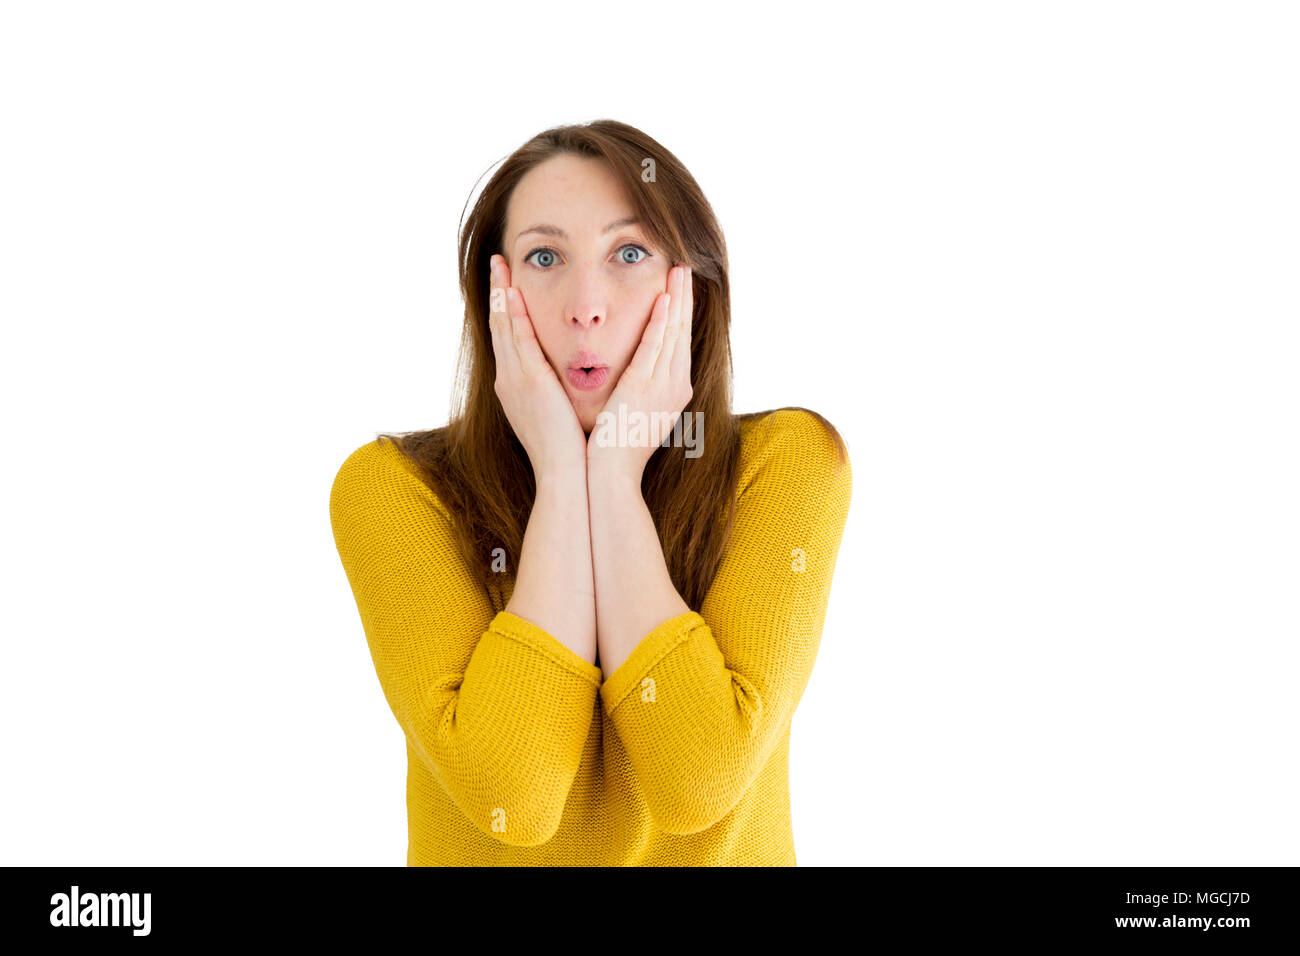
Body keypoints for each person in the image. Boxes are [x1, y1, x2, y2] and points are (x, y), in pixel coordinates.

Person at [329, 119, 852, 865]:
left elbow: (696, 783)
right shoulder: (393, 490)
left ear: (691, 288)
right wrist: (560, 477)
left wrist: (610, 478)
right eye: (545, 257)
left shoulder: (789, 463)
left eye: (629, 253)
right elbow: (517, 796)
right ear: (494, 294)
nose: (586, 306)